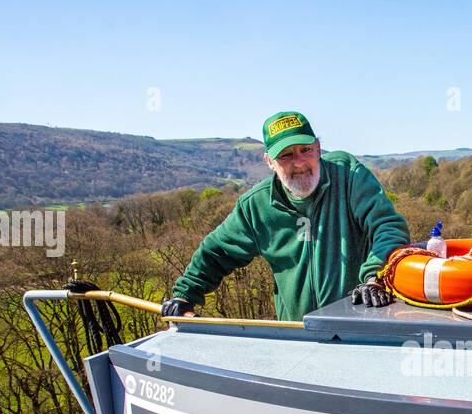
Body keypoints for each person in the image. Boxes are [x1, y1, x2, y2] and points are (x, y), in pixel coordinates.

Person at [162, 111, 408, 321]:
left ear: (319, 148)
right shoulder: (256, 207)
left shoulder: (349, 177)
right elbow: (217, 252)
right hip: (298, 335)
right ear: (269, 161)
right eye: (286, 155)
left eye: (306, 149)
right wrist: (185, 294)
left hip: (362, 327)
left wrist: (376, 276)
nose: (299, 162)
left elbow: (387, 226)